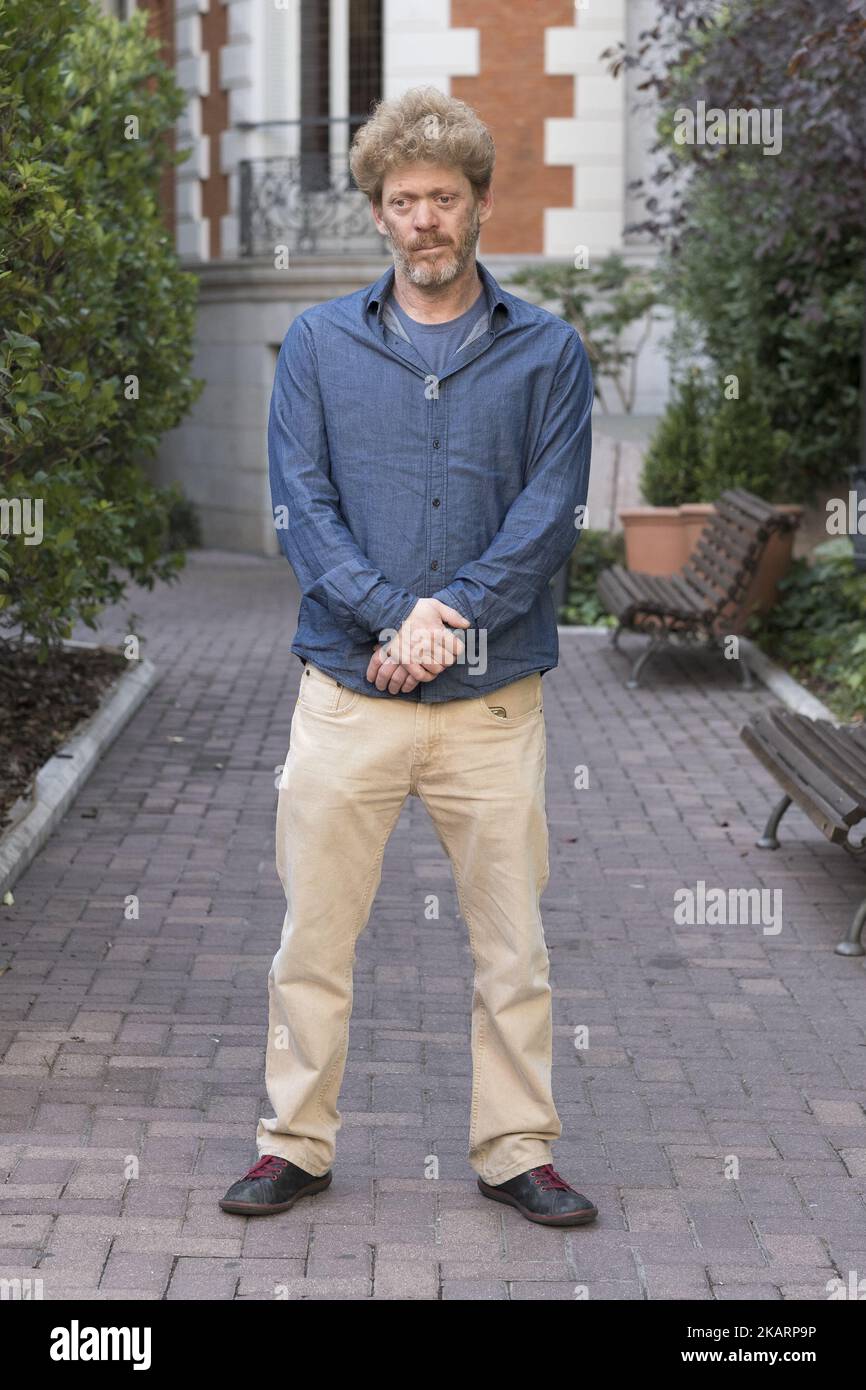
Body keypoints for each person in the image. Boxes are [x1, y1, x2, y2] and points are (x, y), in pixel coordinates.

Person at [220, 86, 596, 1228]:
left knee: (512, 952)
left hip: (492, 706)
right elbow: (304, 506)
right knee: (311, 943)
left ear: (478, 205)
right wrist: (393, 618)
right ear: (376, 215)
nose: (424, 218)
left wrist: (444, 624)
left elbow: (546, 515)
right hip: (348, 699)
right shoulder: (322, 347)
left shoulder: (547, 353)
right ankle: (293, 1144)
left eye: (443, 197)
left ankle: (514, 1149)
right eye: (402, 201)